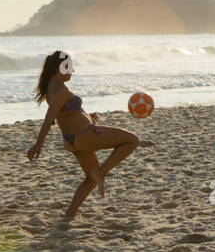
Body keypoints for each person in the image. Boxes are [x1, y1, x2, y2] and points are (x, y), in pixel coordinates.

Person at [27, 51, 139, 219]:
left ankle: (70, 214)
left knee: (90, 178)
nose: (72, 71)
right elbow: (49, 118)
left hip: (72, 140)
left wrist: (87, 116)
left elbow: (65, 113)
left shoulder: (51, 85)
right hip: (86, 136)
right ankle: (102, 172)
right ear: (59, 68)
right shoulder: (60, 90)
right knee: (132, 140)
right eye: (68, 67)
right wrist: (38, 145)